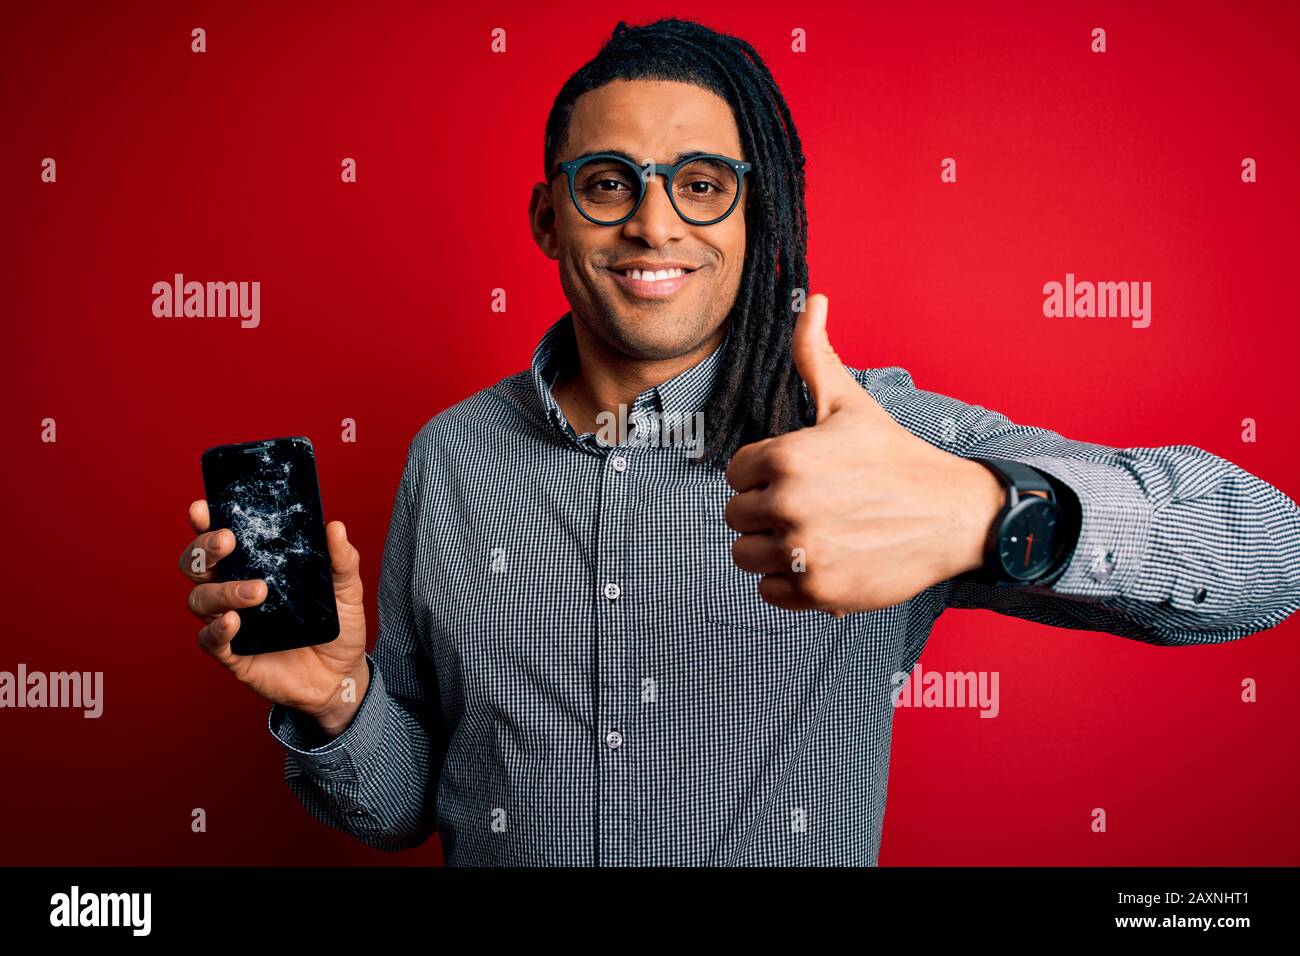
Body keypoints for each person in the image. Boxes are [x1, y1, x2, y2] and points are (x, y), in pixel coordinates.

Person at [177, 18, 1300, 865]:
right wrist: (334, 703)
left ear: (757, 218)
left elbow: (1271, 555)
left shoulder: (871, 447)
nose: (654, 223)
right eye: (607, 183)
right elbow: (408, 801)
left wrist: (990, 511)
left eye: (702, 185)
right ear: (546, 218)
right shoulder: (453, 457)